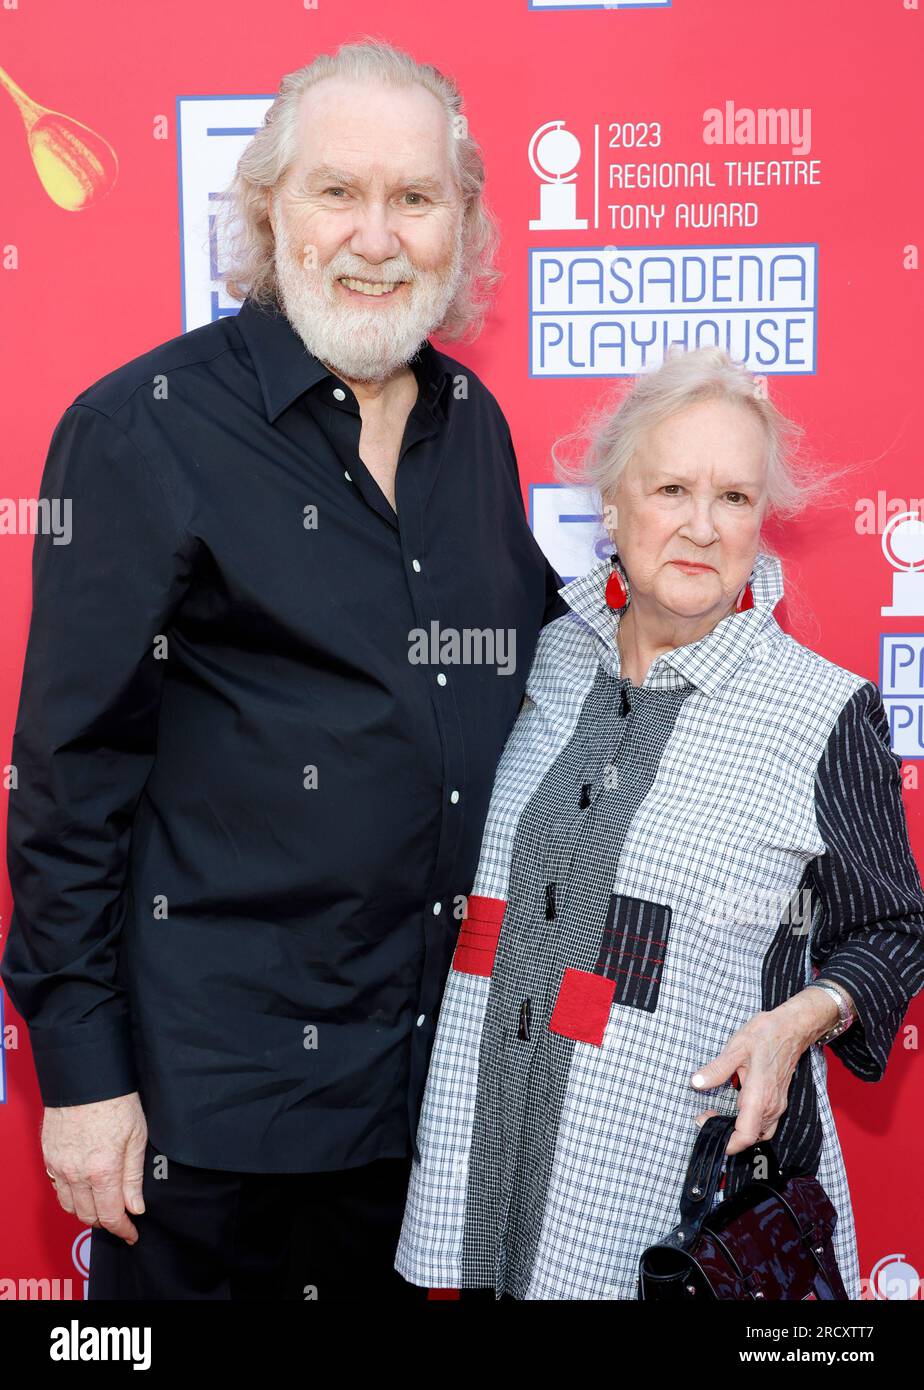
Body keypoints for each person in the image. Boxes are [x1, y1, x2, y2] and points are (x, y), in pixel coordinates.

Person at [0, 40, 565, 1301]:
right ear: (267, 210)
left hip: (431, 1094)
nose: (377, 235)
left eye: (417, 199)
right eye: (336, 192)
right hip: (215, 1121)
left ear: (462, 225)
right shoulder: (141, 430)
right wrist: (83, 1078)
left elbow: (543, 662)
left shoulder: (474, 427)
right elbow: (70, 783)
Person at [394, 345, 924, 1300]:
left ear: (761, 524)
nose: (700, 526)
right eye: (671, 487)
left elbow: (892, 929)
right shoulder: (537, 661)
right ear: (611, 503)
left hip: (671, 1204)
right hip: (483, 1171)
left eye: (734, 499)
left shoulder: (821, 710)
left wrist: (800, 1020)